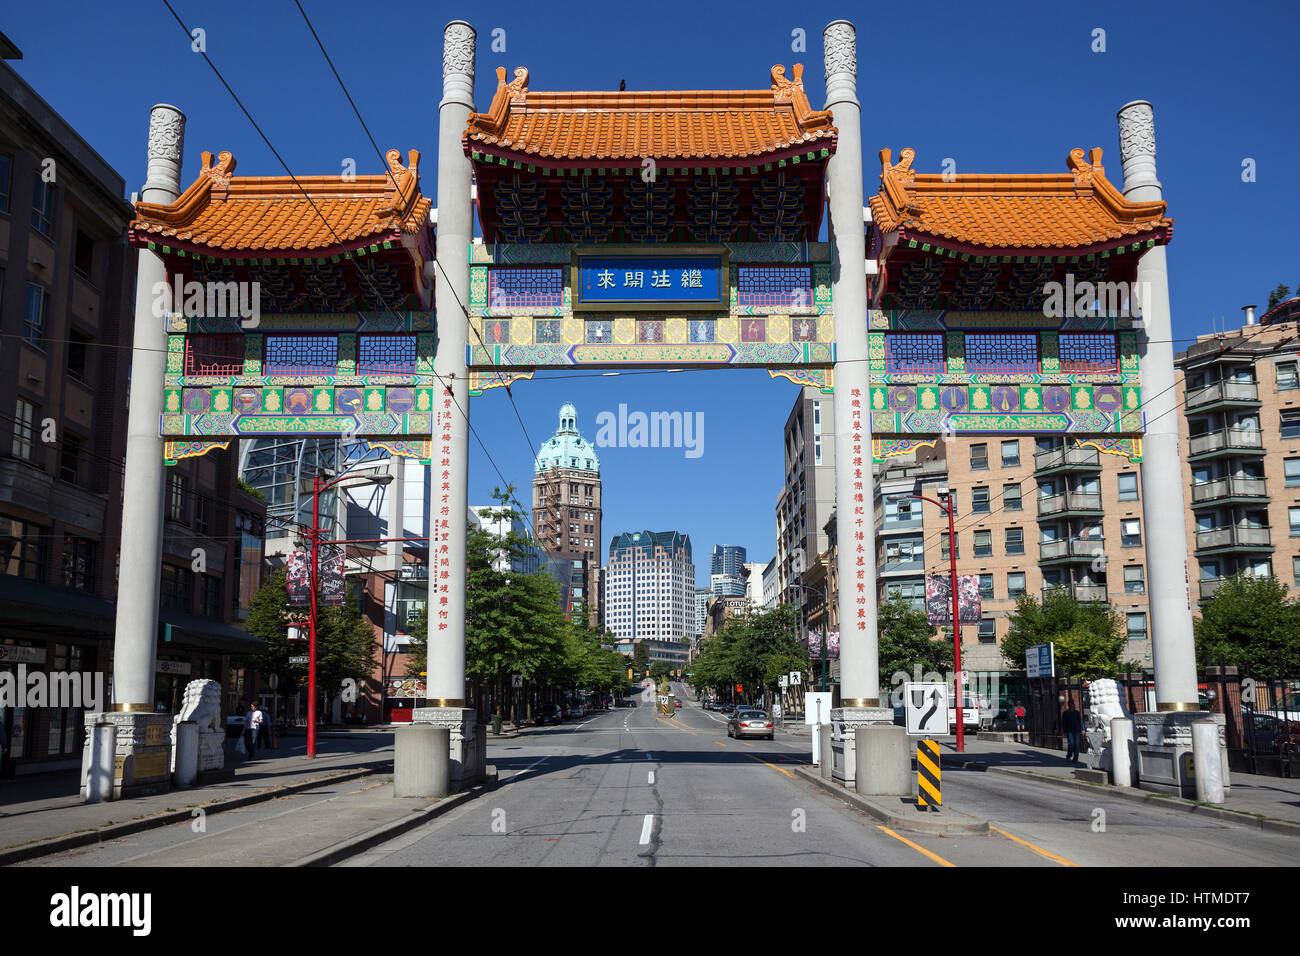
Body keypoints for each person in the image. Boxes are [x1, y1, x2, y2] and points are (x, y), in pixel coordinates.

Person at [1061, 698, 1083, 762]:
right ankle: (1069, 755)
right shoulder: (1066, 713)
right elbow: (1063, 723)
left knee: (1076, 744)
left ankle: (1075, 758)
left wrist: (1083, 729)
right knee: (1071, 744)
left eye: (1073, 705)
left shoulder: (1076, 713)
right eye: (1071, 705)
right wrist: (1064, 731)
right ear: (1069, 706)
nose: (1072, 706)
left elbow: (1080, 721)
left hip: (1077, 730)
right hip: (1069, 731)